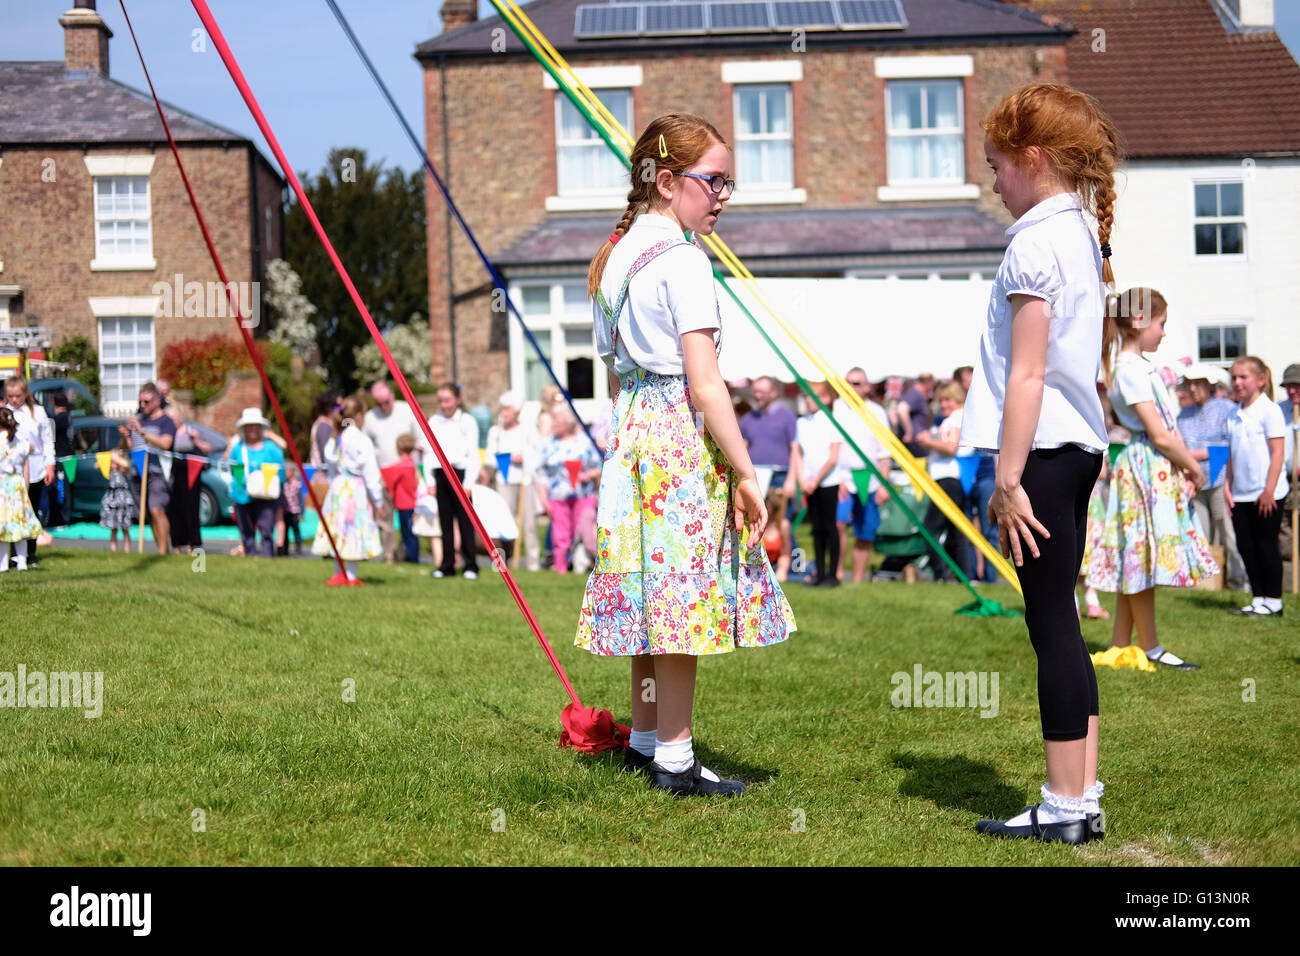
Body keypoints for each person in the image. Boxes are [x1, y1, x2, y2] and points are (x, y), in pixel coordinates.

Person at [575, 112, 796, 797]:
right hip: (676, 438)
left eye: (728, 183)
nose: (724, 196)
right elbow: (705, 383)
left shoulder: (614, 258)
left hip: (633, 437)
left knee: (649, 589)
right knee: (677, 595)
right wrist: (745, 470)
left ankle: (645, 741)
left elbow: (619, 373)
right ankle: (674, 758)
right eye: (714, 181)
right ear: (667, 182)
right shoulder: (683, 259)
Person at [961, 83, 1120, 844]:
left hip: (1044, 453)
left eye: (996, 165)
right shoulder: (1080, 232)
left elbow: (1027, 374)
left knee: (1051, 624)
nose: (993, 181)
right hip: (1076, 447)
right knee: (1064, 622)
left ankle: (1063, 806)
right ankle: (1081, 794)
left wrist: (1007, 478)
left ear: (1031, 158)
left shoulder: (1033, 241)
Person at [1085, 288, 1216, 666]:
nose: (1164, 332)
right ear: (1140, 321)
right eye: (1161, 324)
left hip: (1150, 466)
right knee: (1141, 556)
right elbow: (1159, 435)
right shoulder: (1129, 369)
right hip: (1146, 467)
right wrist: (1193, 468)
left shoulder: (1134, 367)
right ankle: (1152, 646)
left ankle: (1120, 641)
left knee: (1137, 554)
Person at [1225, 357, 1288, 617]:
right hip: (1240, 493)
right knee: (1246, 546)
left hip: (1266, 493)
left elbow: (1277, 453)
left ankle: (1274, 601)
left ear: (1261, 380)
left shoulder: (1269, 410)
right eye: (1234, 377)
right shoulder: (1233, 414)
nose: (1237, 382)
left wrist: (1268, 490)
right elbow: (1231, 455)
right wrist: (1227, 486)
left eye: (1243, 377)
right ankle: (1258, 597)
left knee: (1266, 545)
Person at [1179, 368, 1248, 591]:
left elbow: (1231, 444)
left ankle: (1238, 582)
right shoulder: (1184, 415)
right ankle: (1205, 583)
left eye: (1197, 383)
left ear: (1208, 385)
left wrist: (1196, 454)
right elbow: (1179, 447)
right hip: (1195, 483)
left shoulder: (1226, 409)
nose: (1192, 388)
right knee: (1200, 534)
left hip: (1220, 481)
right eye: (1189, 383)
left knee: (1228, 533)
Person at [312, 396, 384, 584]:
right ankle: (350, 575)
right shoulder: (362, 440)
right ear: (359, 416)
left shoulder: (336, 439)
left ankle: (339, 572)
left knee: (339, 527)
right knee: (353, 528)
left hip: (338, 487)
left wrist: (334, 486)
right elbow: (371, 472)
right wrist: (377, 500)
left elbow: (330, 465)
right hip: (355, 489)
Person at [739, 375, 799, 580]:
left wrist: (792, 478)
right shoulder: (748, 419)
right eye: (755, 392)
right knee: (756, 520)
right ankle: (759, 562)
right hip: (756, 476)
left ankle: (792, 565)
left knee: (783, 522)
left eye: (762, 392)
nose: (757, 396)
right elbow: (743, 447)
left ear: (773, 393)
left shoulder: (787, 417)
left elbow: (795, 450)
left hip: (780, 475)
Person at [837, 366, 892, 583]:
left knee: (865, 531)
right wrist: (836, 478)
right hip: (842, 477)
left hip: (870, 479)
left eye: (856, 383)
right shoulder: (836, 409)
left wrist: (884, 484)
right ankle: (836, 572)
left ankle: (858, 579)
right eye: (847, 383)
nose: (851, 387)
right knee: (839, 524)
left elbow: (885, 452)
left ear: (866, 386)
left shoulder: (877, 412)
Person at [363, 381, 428, 564]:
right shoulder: (370, 418)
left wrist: (418, 468)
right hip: (383, 474)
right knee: (385, 517)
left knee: (408, 517)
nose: (384, 407)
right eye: (379, 403)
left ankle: (409, 553)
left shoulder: (407, 410)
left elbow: (422, 439)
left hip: (406, 475)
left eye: (387, 402)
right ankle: (389, 555)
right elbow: (366, 447)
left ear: (392, 395)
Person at [427, 382, 484, 580]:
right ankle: (447, 564)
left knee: (465, 521)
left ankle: (471, 565)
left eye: (447, 400)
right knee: (445, 522)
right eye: (441, 401)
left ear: (457, 400)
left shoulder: (467, 421)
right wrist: (430, 479)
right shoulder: (434, 421)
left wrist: (468, 482)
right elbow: (429, 452)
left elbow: (473, 454)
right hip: (440, 473)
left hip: (460, 473)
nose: (444, 405)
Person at [535, 405, 602, 573]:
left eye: (557, 421)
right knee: (560, 535)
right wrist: (543, 498)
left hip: (583, 494)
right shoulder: (549, 443)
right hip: (557, 496)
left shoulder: (584, 441)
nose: (554, 424)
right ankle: (561, 568)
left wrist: (588, 475)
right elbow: (542, 473)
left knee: (583, 532)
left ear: (569, 423)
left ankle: (585, 567)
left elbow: (599, 466)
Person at [788, 381, 843, 587]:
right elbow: (798, 453)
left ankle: (833, 574)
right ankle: (820, 572)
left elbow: (833, 457)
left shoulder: (832, 421)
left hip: (828, 481)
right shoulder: (802, 423)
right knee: (817, 528)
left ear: (826, 399)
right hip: (809, 482)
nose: (808, 400)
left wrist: (816, 480)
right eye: (807, 396)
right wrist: (803, 479)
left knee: (830, 527)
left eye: (812, 396)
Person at [916, 381, 971, 582]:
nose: (943, 404)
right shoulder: (950, 418)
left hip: (948, 479)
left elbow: (950, 447)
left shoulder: (957, 417)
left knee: (929, 529)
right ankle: (963, 575)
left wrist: (928, 441)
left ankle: (941, 574)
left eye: (947, 400)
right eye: (941, 400)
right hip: (947, 478)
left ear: (957, 399)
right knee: (955, 531)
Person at [118, 382, 175, 555]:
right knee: (149, 515)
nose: (142, 405)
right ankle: (163, 550)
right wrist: (125, 436)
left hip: (158, 473)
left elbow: (166, 443)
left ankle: (163, 553)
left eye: (146, 402)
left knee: (156, 509)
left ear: (157, 401)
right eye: (140, 402)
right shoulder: (139, 420)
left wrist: (142, 432)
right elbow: (130, 447)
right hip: (138, 472)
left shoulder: (166, 421)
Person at [486, 391, 540, 570]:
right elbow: (489, 458)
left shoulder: (527, 430)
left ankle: (533, 563)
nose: (504, 413)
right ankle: (503, 560)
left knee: (529, 523)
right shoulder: (496, 432)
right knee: (503, 522)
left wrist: (524, 458)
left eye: (507, 409)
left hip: (525, 480)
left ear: (516, 412)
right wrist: (507, 458)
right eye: (503, 409)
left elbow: (537, 453)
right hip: (504, 481)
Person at [4, 376, 53, 568]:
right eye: (10, 396)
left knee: (30, 511)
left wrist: (50, 465)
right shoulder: (5, 413)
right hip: (10, 473)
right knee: (10, 513)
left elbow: (47, 440)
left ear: (25, 394)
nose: (14, 400)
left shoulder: (38, 412)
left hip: (35, 468)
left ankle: (30, 553)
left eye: (18, 396)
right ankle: (13, 555)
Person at [228, 408, 286, 558]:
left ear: (261, 427)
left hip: (266, 496)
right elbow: (233, 470)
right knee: (246, 530)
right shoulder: (238, 449)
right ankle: (250, 555)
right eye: (249, 426)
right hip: (242, 495)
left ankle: (267, 556)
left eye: (255, 425)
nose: (253, 429)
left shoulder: (272, 449)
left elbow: (281, 473)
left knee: (266, 529)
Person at [166, 405, 211, 554]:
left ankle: (194, 543)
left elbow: (208, 449)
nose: (172, 421)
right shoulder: (168, 433)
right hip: (174, 473)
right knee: (174, 510)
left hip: (191, 473)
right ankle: (177, 544)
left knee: (191, 509)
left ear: (180, 417)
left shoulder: (191, 430)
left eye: (173, 418)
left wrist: (196, 441)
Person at [0, 406, 41, 570]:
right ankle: (22, 562)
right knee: (20, 521)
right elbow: (27, 455)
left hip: (2, 485)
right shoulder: (20, 442)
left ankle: (3, 564)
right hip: (17, 484)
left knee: (4, 523)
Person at [382, 433, 421, 564]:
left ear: (399, 448)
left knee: (407, 532)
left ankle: (411, 557)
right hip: (412, 502)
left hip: (404, 503)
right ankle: (411, 555)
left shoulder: (400, 466)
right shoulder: (412, 464)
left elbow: (390, 479)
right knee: (411, 531)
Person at [1279, 363, 1300, 591]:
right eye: (1289, 386)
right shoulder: (1279, 411)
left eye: (1297, 386)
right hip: (1284, 479)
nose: (1292, 391)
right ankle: (1289, 588)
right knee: (1284, 537)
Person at [98, 438, 138, 551]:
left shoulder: (125, 470)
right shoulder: (110, 471)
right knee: (113, 528)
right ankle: (113, 550)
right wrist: (108, 458)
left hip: (123, 499)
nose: (113, 464)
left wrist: (115, 456)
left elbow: (126, 464)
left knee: (125, 528)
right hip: (112, 499)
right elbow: (97, 465)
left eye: (115, 461)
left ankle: (127, 550)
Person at [898, 373, 934, 458]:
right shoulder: (915, 394)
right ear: (928, 382)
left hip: (914, 442)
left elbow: (893, 413)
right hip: (915, 443)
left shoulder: (910, 393)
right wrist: (908, 432)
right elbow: (901, 410)